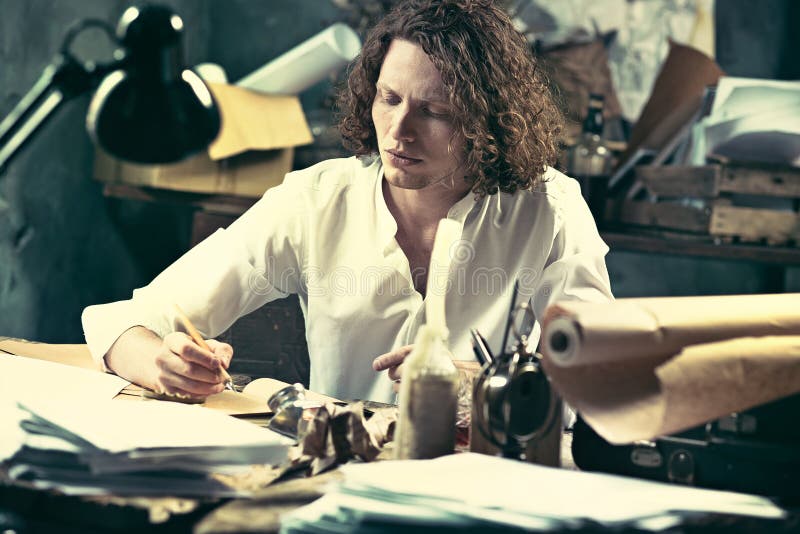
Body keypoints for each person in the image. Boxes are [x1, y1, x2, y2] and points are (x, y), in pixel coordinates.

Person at [82, 0, 613, 404]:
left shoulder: (551, 208)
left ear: (485, 120)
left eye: (435, 112)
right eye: (390, 98)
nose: (400, 131)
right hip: (341, 479)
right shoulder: (317, 199)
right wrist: (162, 363)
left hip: (493, 482)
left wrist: (482, 384)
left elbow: (604, 370)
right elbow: (126, 321)